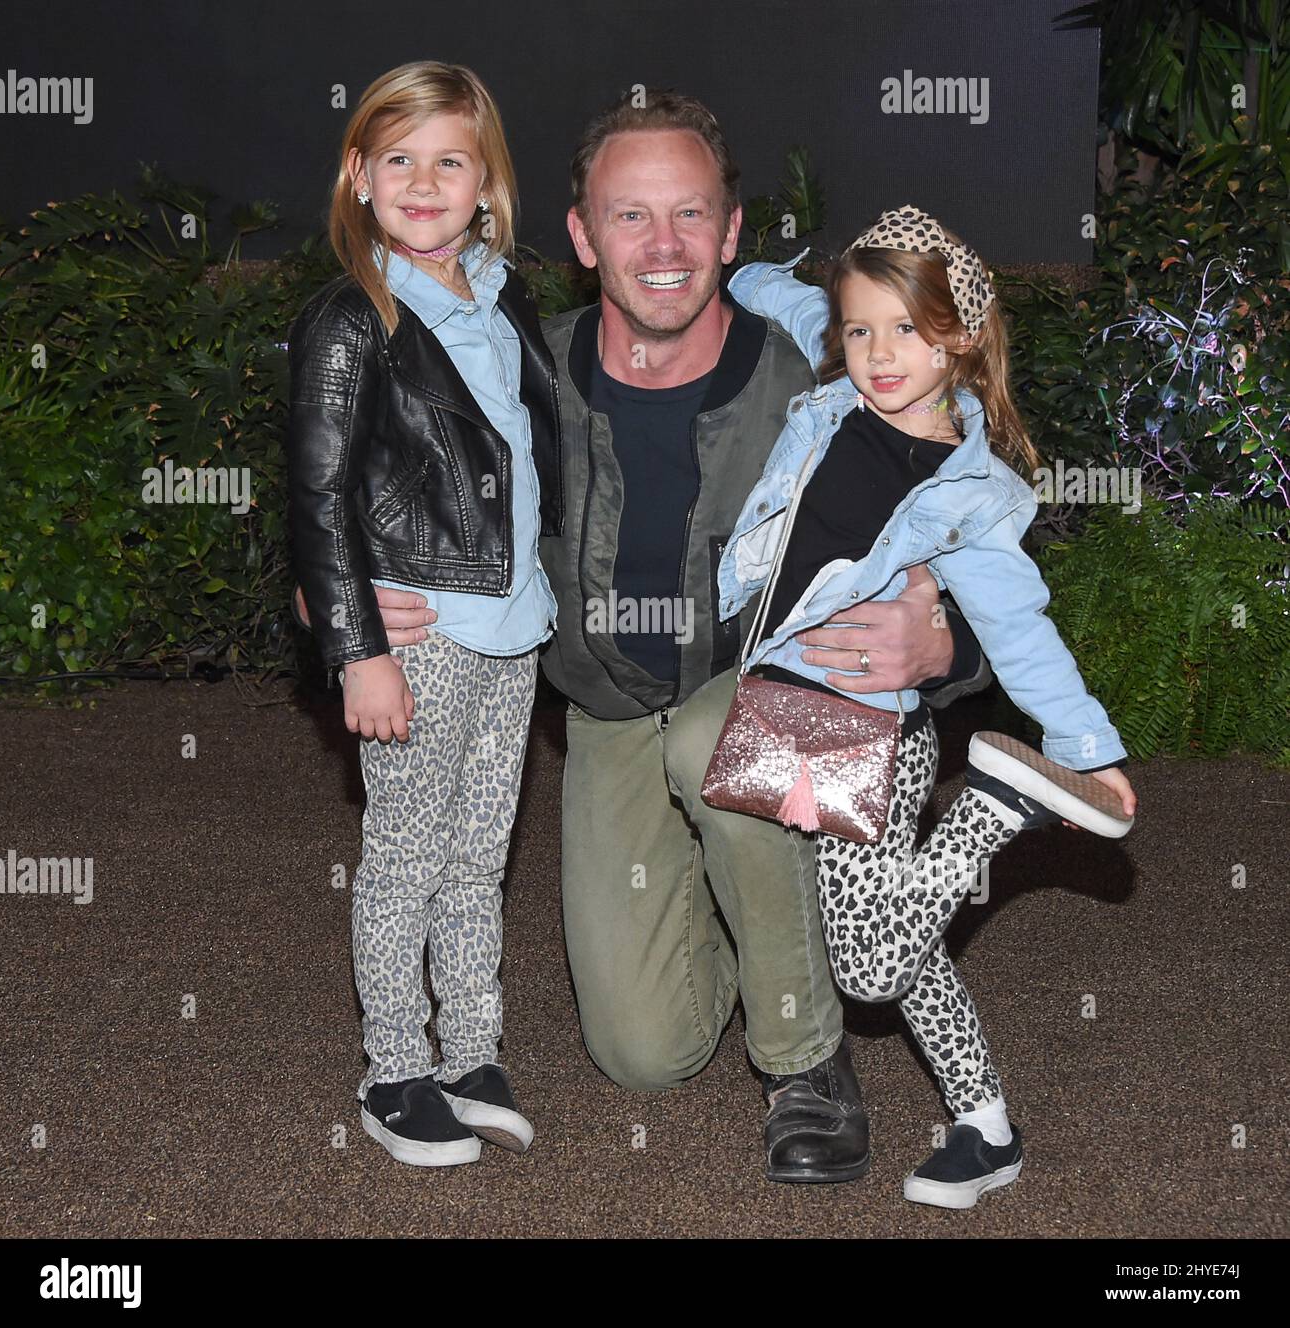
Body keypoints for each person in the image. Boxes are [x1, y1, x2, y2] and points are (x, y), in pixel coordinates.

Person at [331, 95, 994, 1184]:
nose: (665, 246)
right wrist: (342, 597)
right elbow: (366, 481)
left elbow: (982, 532)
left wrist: (943, 642)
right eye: (629, 218)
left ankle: (807, 1059)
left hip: (791, 692)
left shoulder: (829, 376)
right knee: (643, 1052)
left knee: (709, 738)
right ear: (583, 237)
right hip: (609, 707)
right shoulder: (518, 369)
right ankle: (771, 905)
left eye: (690, 215)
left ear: (732, 233)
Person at [718, 204, 1138, 1207]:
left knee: (864, 967)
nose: (877, 352)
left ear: (958, 334)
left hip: (869, 729)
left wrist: (1088, 746)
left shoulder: (968, 491)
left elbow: (1021, 627)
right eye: (861, 331)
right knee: (901, 946)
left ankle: (999, 806)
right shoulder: (833, 402)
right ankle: (984, 1126)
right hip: (792, 710)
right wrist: (737, 273)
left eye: (906, 329)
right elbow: (792, 302)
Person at [285, 61, 563, 1168]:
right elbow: (315, 495)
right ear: (357, 176)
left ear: (487, 185)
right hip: (421, 637)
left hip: (514, 632)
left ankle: (472, 1050)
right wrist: (354, 648)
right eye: (396, 157)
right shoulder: (350, 318)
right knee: (404, 853)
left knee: (479, 853)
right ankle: (394, 1067)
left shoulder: (505, 298)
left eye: (450, 159)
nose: (422, 179)